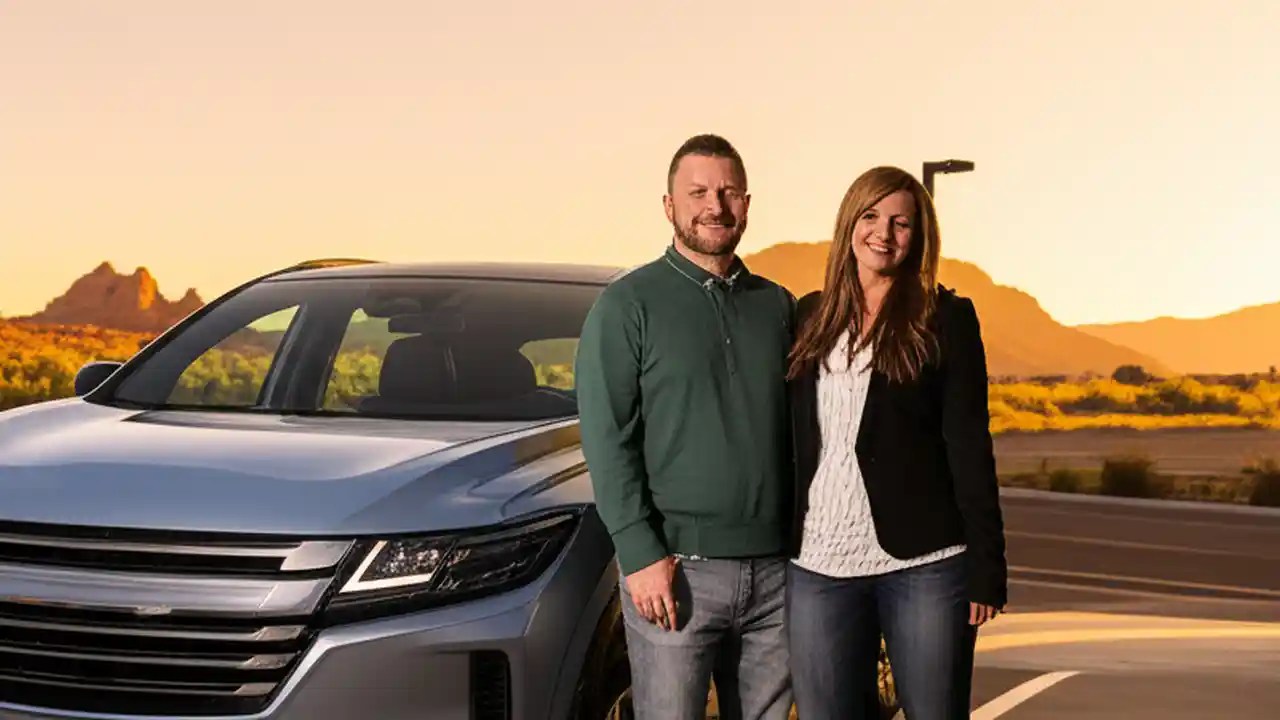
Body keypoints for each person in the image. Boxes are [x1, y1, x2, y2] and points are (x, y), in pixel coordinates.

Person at [575, 134, 796, 720]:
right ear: (669, 206)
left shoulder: (778, 306)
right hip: (675, 573)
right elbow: (606, 438)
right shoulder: (627, 305)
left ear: (747, 203)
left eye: (727, 192)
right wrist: (639, 553)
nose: (714, 206)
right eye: (697, 192)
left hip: (777, 575)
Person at [784, 165, 1008, 719]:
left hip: (925, 564)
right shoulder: (808, 316)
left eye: (901, 222)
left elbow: (968, 444)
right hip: (818, 562)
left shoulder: (946, 318)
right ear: (850, 224)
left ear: (919, 236)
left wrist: (987, 565)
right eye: (871, 217)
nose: (883, 233)